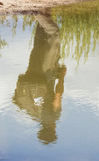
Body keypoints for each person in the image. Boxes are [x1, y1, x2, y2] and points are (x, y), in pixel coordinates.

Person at [12, 13, 67, 144]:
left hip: (45, 73)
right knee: (40, 41)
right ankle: (42, 11)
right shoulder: (34, 114)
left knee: (53, 33)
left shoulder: (53, 117)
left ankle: (35, 12)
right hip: (32, 72)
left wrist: (62, 77)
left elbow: (58, 94)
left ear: (53, 130)